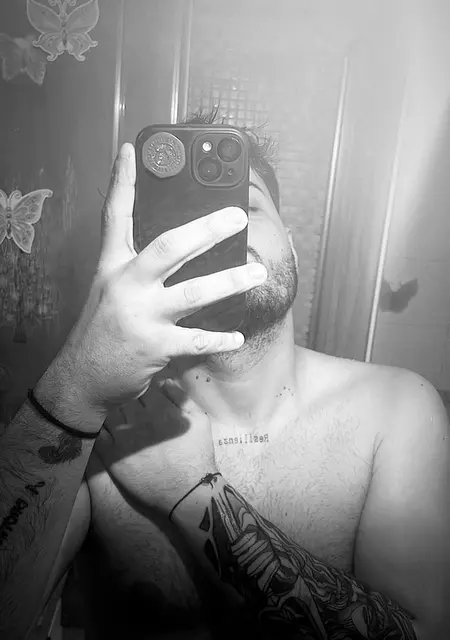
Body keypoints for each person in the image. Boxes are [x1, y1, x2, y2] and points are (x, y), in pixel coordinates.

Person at [0, 115, 449, 640]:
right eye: (188, 214)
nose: (222, 227)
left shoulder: (395, 408)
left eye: (246, 205)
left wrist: (197, 495)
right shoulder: (91, 423)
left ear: (292, 247)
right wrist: (78, 382)